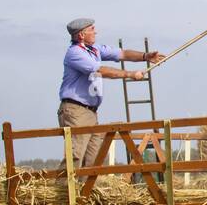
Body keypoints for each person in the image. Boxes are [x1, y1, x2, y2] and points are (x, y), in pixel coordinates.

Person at [58, 19, 165, 168]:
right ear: (82, 35)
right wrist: (130, 74)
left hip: (89, 112)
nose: (96, 32)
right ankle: (65, 190)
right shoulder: (75, 53)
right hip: (76, 111)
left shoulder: (95, 49)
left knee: (94, 159)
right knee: (76, 156)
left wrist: (145, 56)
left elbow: (122, 54)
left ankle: (86, 191)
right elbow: (101, 71)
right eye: (92, 29)